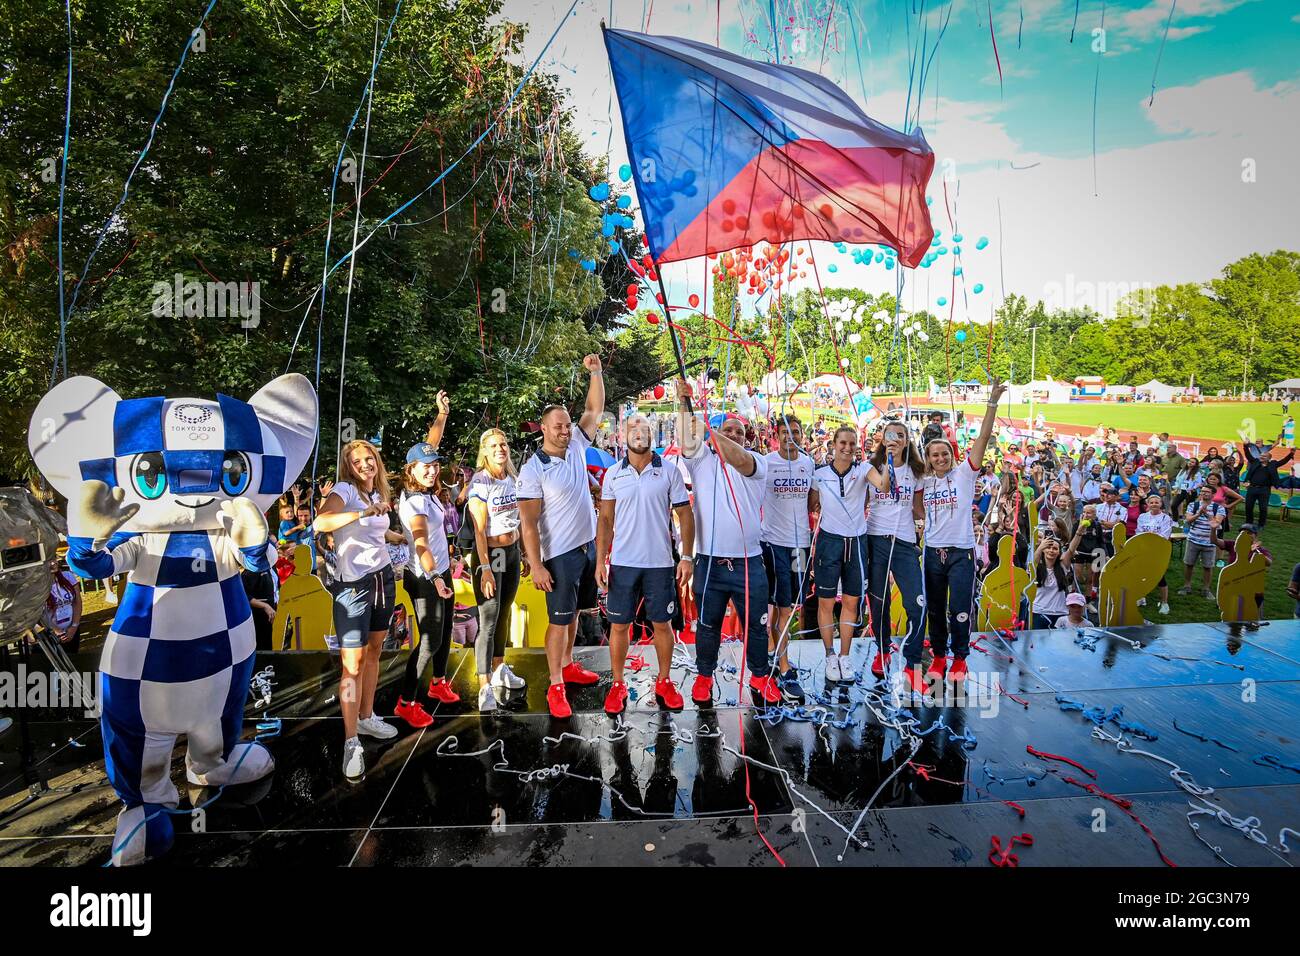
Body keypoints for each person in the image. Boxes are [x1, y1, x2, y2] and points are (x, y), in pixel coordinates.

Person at [675, 379, 782, 708]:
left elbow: (735, 457)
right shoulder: (701, 459)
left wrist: (712, 429)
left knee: (756, 627)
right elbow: (688, 435)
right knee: (707, 626)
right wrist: (683, 401)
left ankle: (761, 677)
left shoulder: (756, 462)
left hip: (747, 563)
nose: (733, 435)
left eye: (739, 431)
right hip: (709, 561)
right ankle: (704, 676)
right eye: (728, 430)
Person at [518, 355, 605, 719]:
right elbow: (527, 523)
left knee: (573, 617)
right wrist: (536, 564)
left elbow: (594, 409)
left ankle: (568, 665)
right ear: (543, 428)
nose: (565, 431)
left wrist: (596, 372)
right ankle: (555, 684)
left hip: (587, 548)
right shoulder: (532, 469)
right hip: (559, 555)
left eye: (568, 425)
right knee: (558, 620)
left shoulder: (577, 447)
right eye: (558, 426)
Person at [595, 413, 695, 716]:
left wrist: (687, 556)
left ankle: (664, 681)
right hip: (623, 563)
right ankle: (617, 683)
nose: (639, 433)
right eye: (633, 428)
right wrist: (601, 559)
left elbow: (685, 515)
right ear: (623, 435)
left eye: (645, 429)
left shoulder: (669, 471)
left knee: (662, 626)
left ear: (652, 434)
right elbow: (606, 520)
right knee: (619, 625)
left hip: (660, 563)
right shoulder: (612, 473)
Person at [314, 439, 399, 780]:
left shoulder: (378, 495)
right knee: (352, 665)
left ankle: (367, 716)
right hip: (352, 587)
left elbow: (374, 534)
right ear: (348, 466)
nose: (365, 464)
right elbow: (321, 524)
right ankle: (351, 741)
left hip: (383, 579)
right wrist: (362, 513)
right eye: (357, 460)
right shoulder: (347, 492)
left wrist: (396, 536)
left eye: (369, 458)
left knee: (376, 651)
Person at [918, 381, 1005, 685]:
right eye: (934, 455)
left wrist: (992, 402)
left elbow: (982, 438)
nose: (940, 458)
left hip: (961, 552)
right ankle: (939, 656)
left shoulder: (965, 474)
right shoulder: (924, 483)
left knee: (959, 609)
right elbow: (915, 506)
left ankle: (960, 658)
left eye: (944, 453)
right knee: (936, 608)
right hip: (932, 552)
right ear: (927, 459)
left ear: (951, 454)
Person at [812, 424, 891, 684]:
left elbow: (883, 486)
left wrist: (888, 457)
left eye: (852, 443)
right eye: (842, 443)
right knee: (825, 602)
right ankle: (829, 654)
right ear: (833, 444)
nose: (847, 448)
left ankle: (845, 656)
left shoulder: (864, 469)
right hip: (828, 542)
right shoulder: (820, 473)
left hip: (856, 542)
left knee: (851, 602)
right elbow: (812, 504)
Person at [394, 442, 460, 728]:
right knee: (430, 639)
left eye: (435, 465)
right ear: (411, 470)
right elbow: (421, 542)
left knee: (445, 630)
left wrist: (441, 416)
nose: (433, 470)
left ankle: (438, 683)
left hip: (440, 572)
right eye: (426, 466)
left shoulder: (424, 492)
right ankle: (406, 703)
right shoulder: (415, 502)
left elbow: (430, 442)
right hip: (424, 578)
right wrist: (435, 578)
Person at [466, 428, 526, 712]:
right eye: (493, 446)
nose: (500, 448)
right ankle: (484, 685)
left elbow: (520, 519)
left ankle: (500, 668)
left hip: (511, 552)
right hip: (491, 554)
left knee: (504, 613)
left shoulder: (512, 477)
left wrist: (524, 552)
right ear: (485, 451)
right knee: (488, 620)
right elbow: (478, 530)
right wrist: (486, 568)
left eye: (503, 443)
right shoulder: (481, 481)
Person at [864, 420, 926, 689]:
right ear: (883, 438)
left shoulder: (917, 472)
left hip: (904, 543)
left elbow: (919, 508)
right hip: (876, 539)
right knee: (879, 603)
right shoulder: (872, 467)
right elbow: (860, 503)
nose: (896, 439)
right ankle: (882, 650)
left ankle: (912, 662)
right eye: (890, 435)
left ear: (907, 440)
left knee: (916, 603)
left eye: (901, 435)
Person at [760, 415, 815, 702]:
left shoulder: (808, 463)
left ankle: (777, 653)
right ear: (776, 436)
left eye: (795, 432)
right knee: (779, 608)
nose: (790, 437)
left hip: (799, 546)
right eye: (785, 433)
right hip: (772, 544)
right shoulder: (766, 463)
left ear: (801, 434)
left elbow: (811, 502)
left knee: (790, 607)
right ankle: (783, 667)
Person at [1179, 484, 1225, 600]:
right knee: (1189, 564)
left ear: (1213, 494)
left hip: (1210, 542)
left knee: (1208, 567)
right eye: (1202, 491)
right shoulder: (1192, 505)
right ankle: (1187, 586)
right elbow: (1188, 520)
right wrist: (1199, 513)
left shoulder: (1218, 508)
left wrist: (1207, 515)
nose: (1204, 493)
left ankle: (1206, 589)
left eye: (1207, 492)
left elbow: (1217, 523)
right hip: (1193, 539)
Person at [1134, 494, 1173, 614]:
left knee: (1160, 576)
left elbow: (1164, 535)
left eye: (1157, 502)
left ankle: (1164, 603)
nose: (1154, 504)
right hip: (1144, 550)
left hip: (1158, 551)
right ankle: (1141, 596)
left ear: (1161, 504)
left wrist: (1151, 537)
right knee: (1141, 574)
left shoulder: (1166, 518)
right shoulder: (1142, 517)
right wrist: (1148, 537)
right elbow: (1139, 532)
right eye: (1151, 502)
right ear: (1148, 504)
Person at [1029, 534, 1077, 629]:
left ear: (1059, 552)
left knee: (1059, 643)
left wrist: (1080, 531)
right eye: (1048, 547)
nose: (1051, 550)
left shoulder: (1063, 566)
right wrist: (1040, 547)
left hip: (1061, 613)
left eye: (1055, 548)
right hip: (1040, 613)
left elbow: (1071, 550)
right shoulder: (1036, 567)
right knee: (1039, 643)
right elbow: (1034, 561)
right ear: (1043, 550)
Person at [43, 560, 83, 653]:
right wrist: (56, 631)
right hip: (49, 633)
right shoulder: (36, 586)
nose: (53, 563)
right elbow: (38, 613)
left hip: (72, 630)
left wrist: (74, 626)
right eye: (48, 561)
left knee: (73, 659)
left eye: (54, 559)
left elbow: (77, 602)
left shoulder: (68, 576)